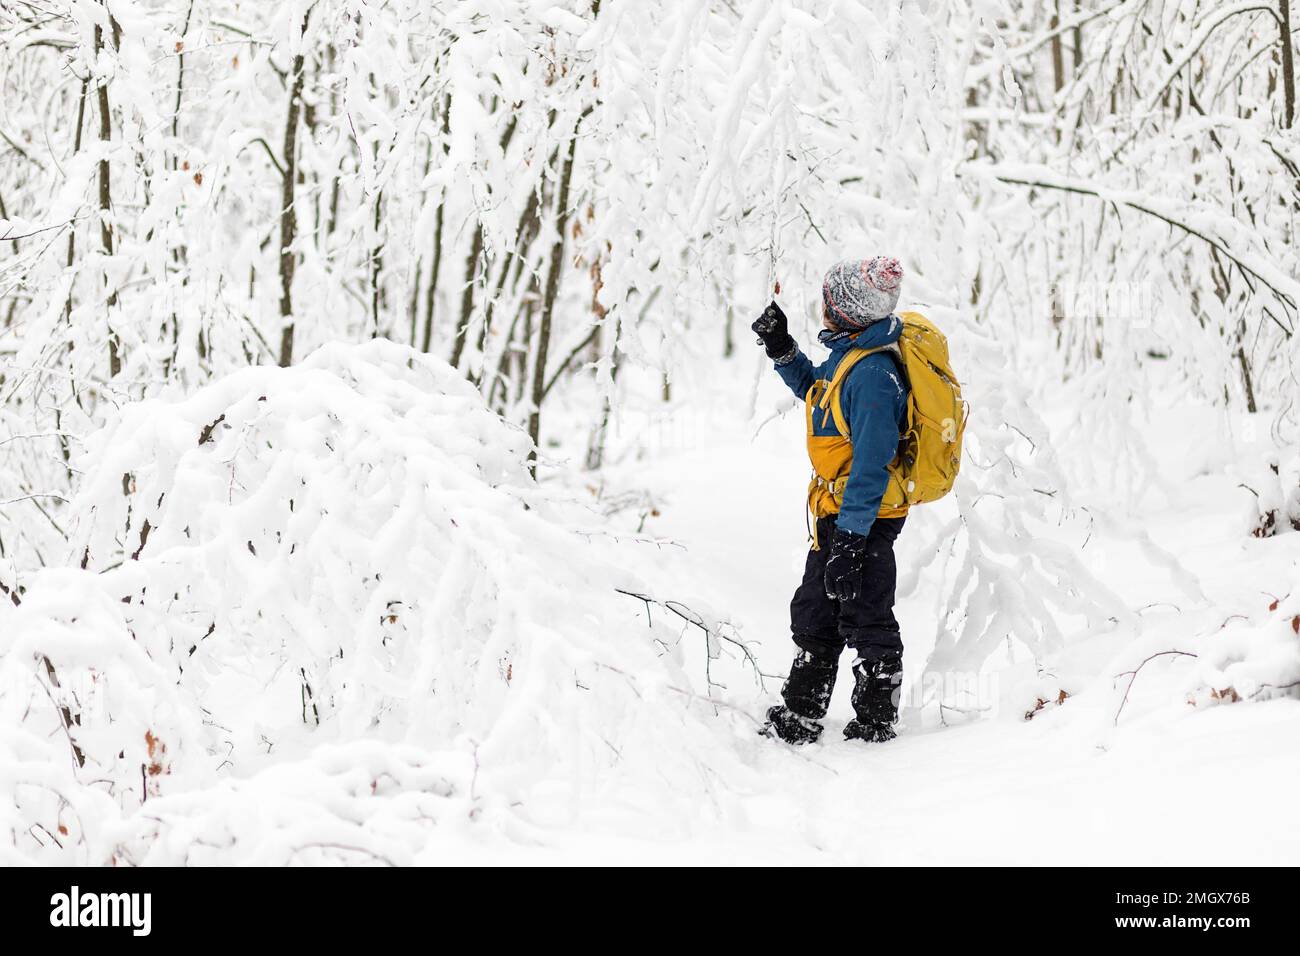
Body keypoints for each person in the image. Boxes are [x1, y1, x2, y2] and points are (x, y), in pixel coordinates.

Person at [753, 257, 910, 745]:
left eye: (829, 299)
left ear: (843, 311)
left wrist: (851, 540)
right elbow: (818, 393)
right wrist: (781, 348)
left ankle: (877, 720)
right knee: (817, 609)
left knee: (865, 611)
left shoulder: (873, 375)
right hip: (837, 515)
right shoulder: (849, 358)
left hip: (864, 517)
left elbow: (871, 463)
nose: (821, 305)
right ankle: (801, 711)